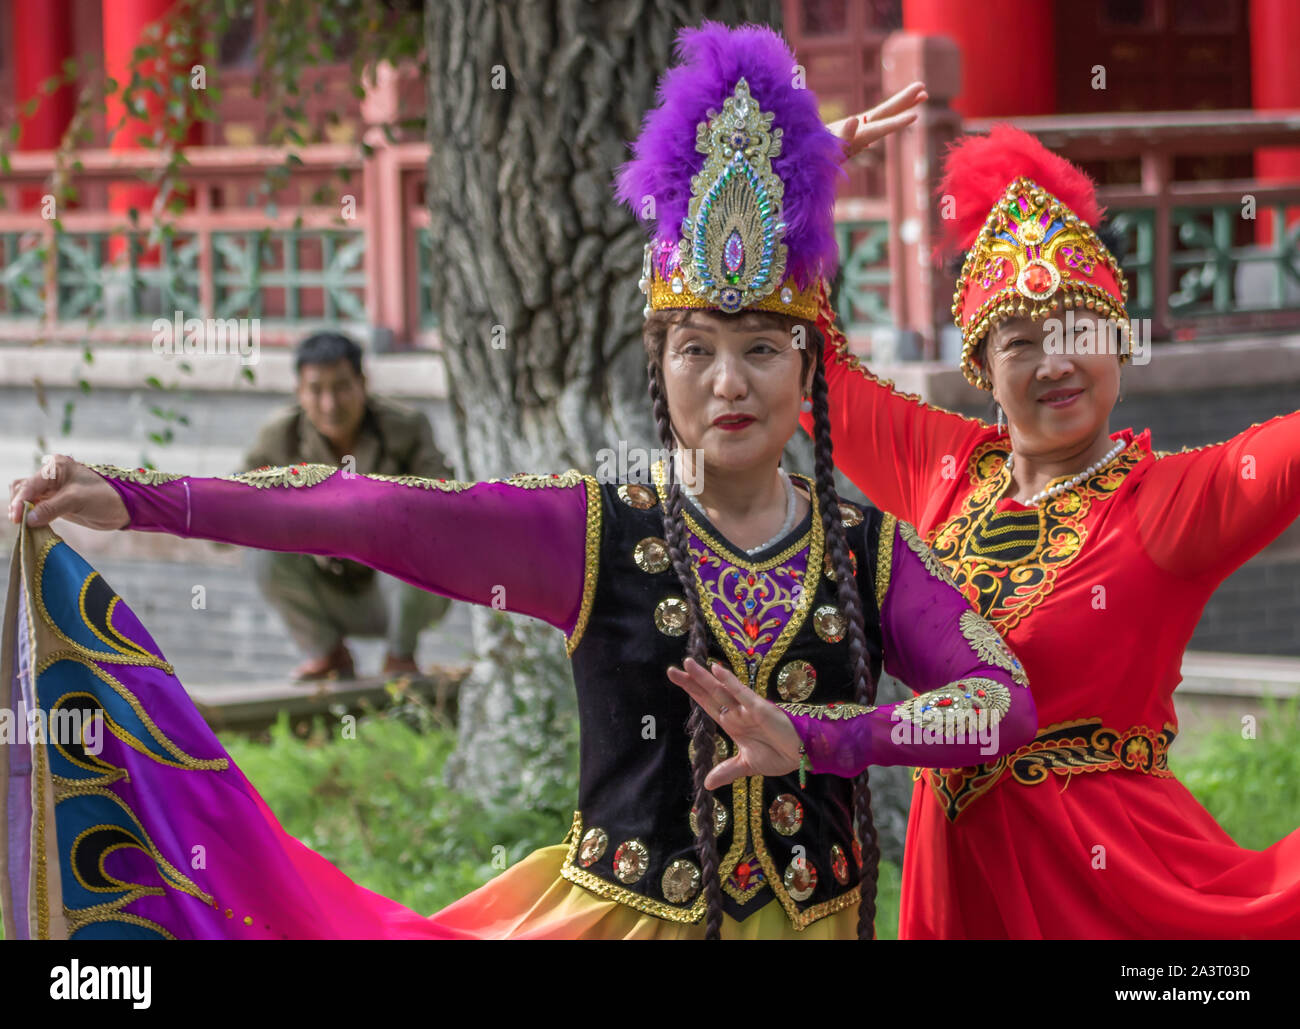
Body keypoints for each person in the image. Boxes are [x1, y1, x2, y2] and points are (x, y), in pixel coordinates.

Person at [5, 23, 1034, 941]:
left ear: (807, 368)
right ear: (657, 368)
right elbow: (373, 513)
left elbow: (1000, 705)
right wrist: (141, 496)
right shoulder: (594, 531)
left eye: (762, 349)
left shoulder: (867, 549)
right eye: (695, 350)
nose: (728, 382)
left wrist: (821, 737)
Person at [779, 120, 1300, 938]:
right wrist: (796, 182)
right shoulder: (945, 467)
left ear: (1121, 349)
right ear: (985, 369)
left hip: (1105, 883)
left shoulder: (1170, 501)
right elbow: (815, 363)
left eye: (1079, 335)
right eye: (1022, 343)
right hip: (954, 874)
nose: (1054, 363)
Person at [245, 331, 454, 680]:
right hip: (326, 591)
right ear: (299, 392)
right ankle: (328, 653)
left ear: (363, 383)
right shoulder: (279, 437)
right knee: (259, 554)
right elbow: (236, 506)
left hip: (401, 593)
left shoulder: (406, 428)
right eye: (316, 390)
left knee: (425, 542)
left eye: (342, 387)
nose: (330, 404)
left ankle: (401, 656)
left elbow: (444, 503)